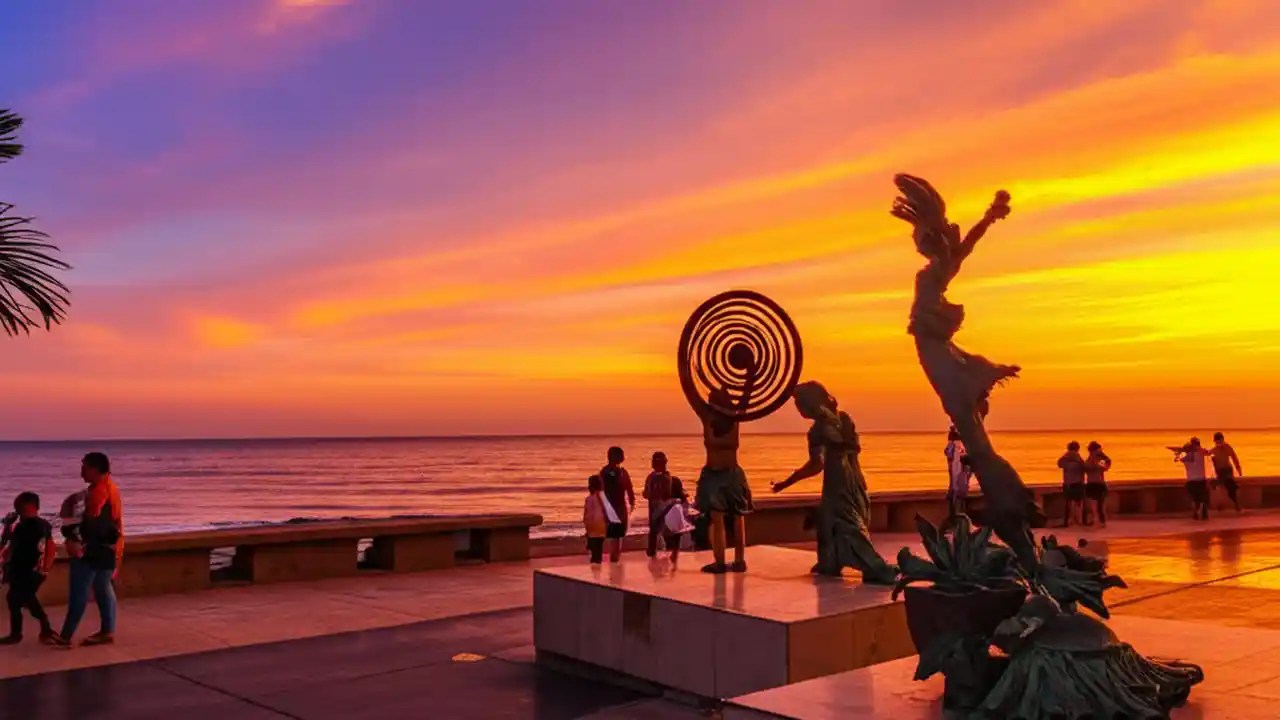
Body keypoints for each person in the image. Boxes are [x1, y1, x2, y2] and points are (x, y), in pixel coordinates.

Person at [772, 382, 897, 583]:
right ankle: (829, 560)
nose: (798, 409)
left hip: (837, 481)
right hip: (855, 477)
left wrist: (788, 482)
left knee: (845, 523)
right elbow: (852, 448)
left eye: (799, 404)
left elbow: (816, 465)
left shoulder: (817, 431)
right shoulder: (844, 419)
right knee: (829, 519)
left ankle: (874, 566)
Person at [56, 452, 123, 647]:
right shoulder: (113, 488)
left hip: (90, 550)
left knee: (79, 591)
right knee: (103, 588)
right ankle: (107, 631)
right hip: (109, 549)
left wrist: (72, 538)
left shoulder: (97, 492)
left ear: (95, 469)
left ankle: (65, 636)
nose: (81, 472)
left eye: (84, 467)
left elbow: (89, 524)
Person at [694, 389, 753, 574]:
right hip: (731, 473)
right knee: (737, 518)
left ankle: (721, 563)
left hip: (718, 474)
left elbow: (692, 395)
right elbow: (745, 398)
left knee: (719, 518)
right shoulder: (734, 418)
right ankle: (738, 561)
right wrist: (750, 379)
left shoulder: (708, 417)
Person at [1, 493, 57, 645]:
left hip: (27, 571)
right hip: (29, 571)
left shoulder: (28, 527)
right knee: (18, 599)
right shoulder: (41, 525)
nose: (17, 510)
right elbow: (50, 546)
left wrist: (7, 526)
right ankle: (23, 632)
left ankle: (40, 628)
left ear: (30, 507)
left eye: (19, 507)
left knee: (23, 599)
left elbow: (8, 543)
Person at [642, 452, 688, 561]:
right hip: (664, 511)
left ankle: (655, 553)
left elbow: (646, 494)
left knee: (655, 531)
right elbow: (682, 498)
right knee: (673, 531)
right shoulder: (672, 479)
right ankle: (673, 552)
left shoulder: (651, 478)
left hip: (657, 512)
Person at [599, 447, 634, 564]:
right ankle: (614, 558)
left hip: (614, 506)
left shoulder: (607, 471)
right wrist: (632, 500)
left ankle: (614, 558)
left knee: (616, 535)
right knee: (616, 535)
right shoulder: (618, 472)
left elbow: (600, 490)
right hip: (616, 507)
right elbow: (628, 487)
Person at [1172, 438, 1211, 520]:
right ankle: (1202, 511)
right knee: (1202, 498)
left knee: (1194, 499)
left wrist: (1179, 452)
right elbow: (1207, 452)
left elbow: (1177, 459)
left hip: (1191, 481)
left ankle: (1196, 513)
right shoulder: (1200, 453)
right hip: (1201, 479)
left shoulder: (1186, 458)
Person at [1209, 432, 1244, 513]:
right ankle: (1223, 504)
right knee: (1222, 487)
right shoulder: (1214, 450)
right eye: (1216, 441)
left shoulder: (1227, 447)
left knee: (1230, 487)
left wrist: (1238, 469)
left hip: (1227, 470)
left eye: (1218, 441)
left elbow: (1234, 458)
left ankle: (1235, 504)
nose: (1217, 443)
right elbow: (1208, 455)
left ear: (1222, 439)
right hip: (1220, 471)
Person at [1057, 442, 1087, 527]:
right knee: (1078, 503)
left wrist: (1066, 456)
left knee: (1070, 502)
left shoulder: (1066, 458)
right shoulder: (1078, 458)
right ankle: (1078, 520)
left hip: (1068, 483)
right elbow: (1085, 467)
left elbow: (1059, 464)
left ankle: (1070, 520)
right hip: (1077, 483)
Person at [944, 427, 971, 517]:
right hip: (958, 483)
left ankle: (958, 513)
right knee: (957, 490)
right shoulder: (956, 446)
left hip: (959, 482)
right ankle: (957, 514)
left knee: (958, 490)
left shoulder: (957, 447)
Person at [1083, 441, 1111, 527]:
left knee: (1096, 505)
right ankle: (1099, 520)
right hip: (1097, 483)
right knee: (1098, 505)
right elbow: (1104, 467)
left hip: (1095, 483)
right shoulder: (1095, 459)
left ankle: (1098, 520)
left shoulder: (1093, 459)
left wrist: (1100, 458)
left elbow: (1102, 467)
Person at [582, 475, 608, 565]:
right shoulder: (604, 498)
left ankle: (595, 563)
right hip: (602, 525)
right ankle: (598, 562)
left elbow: (588, 515)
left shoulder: (589, 499)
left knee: (594, 548)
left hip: (593, 525)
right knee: (599, 546)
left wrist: (587, 527)